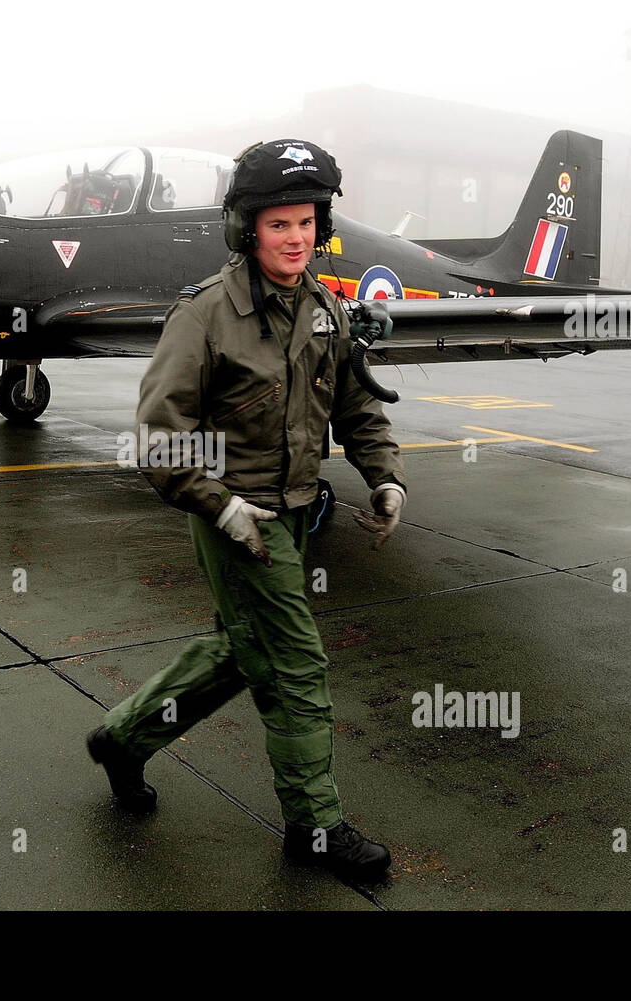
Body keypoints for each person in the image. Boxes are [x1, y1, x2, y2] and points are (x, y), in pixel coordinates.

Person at [86, 138, 406, 883]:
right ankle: (314, 827)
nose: (295, 239)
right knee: (297, 667)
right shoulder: (203, 316)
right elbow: (158, 439)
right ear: (246, 231)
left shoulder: (325, 310)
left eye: (306, 223)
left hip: (295, 511)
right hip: (239, 520)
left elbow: (359, 408)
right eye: (277, 225)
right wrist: (220, 504)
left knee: (239, 652)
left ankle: (124, 738)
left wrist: (386, 476)